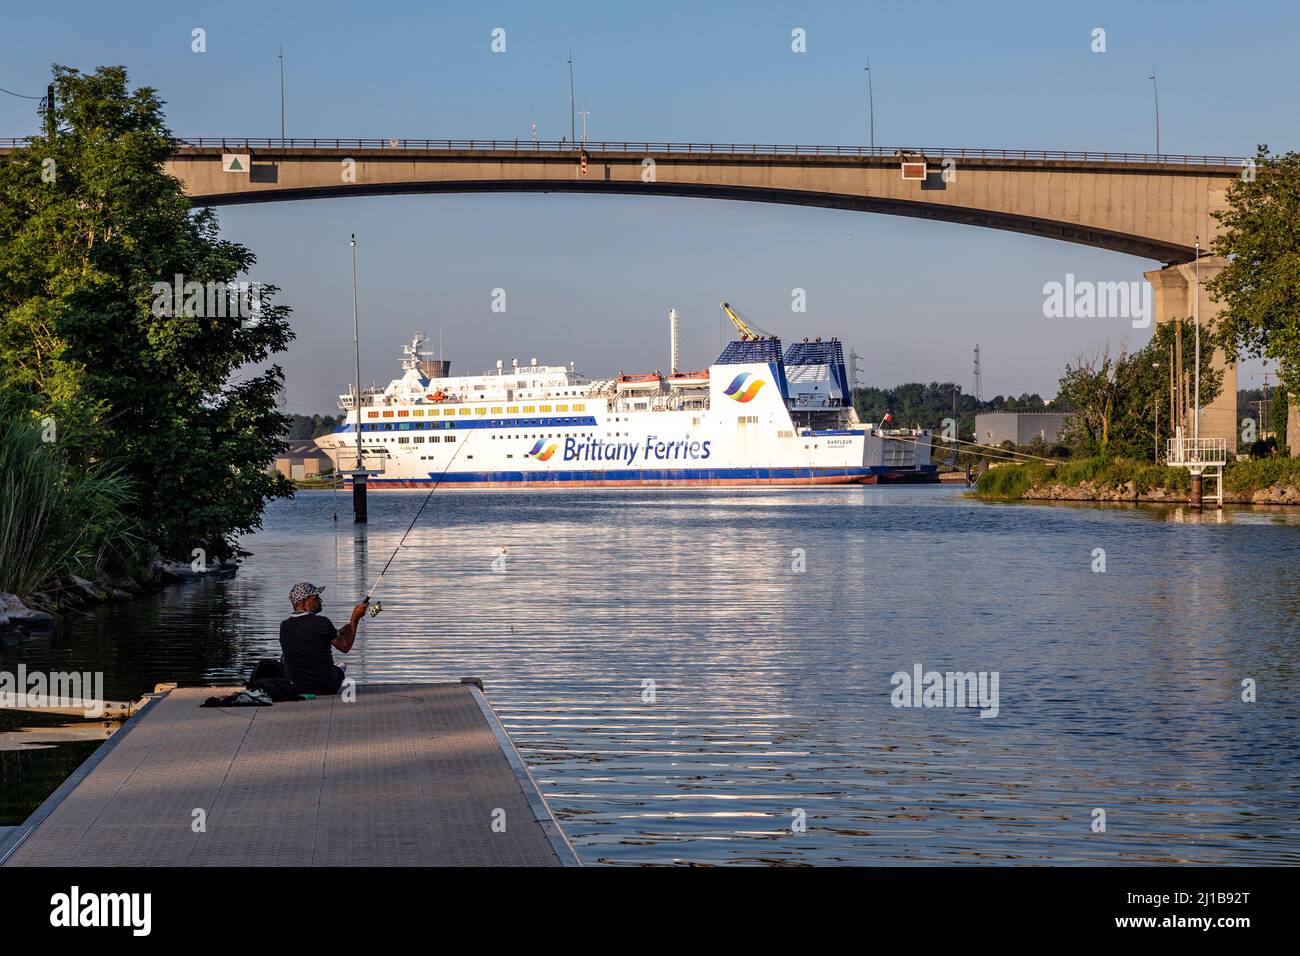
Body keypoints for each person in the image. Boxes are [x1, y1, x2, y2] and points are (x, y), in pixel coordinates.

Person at [279, 582, 369, 695]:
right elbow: (345, 646)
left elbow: (310, 636)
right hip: (325, 687)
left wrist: (340, 631)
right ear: (303, 602)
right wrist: (355, 619)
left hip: (297, 688)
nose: (320, 601)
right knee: (341, 666)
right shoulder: (321, 623)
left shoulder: (285, 626)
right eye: (315, 598)